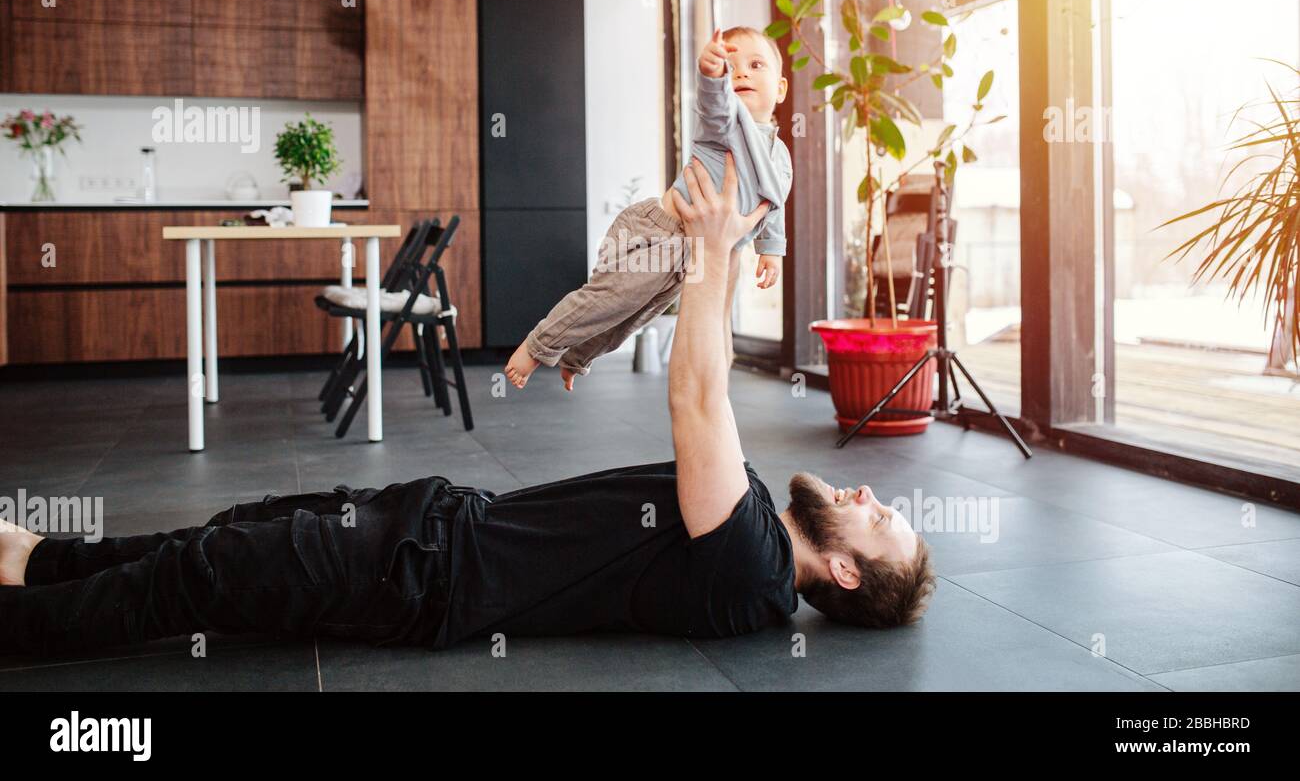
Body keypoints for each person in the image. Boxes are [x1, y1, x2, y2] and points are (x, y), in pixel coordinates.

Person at [0, 154, 934, 658]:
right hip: (434, 526)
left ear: (847, 577)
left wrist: (713, 252)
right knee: (222, 536)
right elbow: (713, 383)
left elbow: (696, 395)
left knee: (199, 578)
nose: (871, 499)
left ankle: (25, 621)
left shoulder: (754, 571)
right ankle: (41, 556)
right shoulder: (755, 533)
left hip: (418, 577)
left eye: (882, 523)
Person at [504, 25, 793, 390]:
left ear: (780, 88)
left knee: (634, 316)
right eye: (732, 66)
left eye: (756, 65)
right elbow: (714, 101)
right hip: (657, 232)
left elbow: (775, 203)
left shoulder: (781, 158)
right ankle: (537, 345)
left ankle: (578, 357)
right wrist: (710, 73)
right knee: (611, 300)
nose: (742, 73)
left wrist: (771, 250)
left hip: (691, 252)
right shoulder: (725, 124)